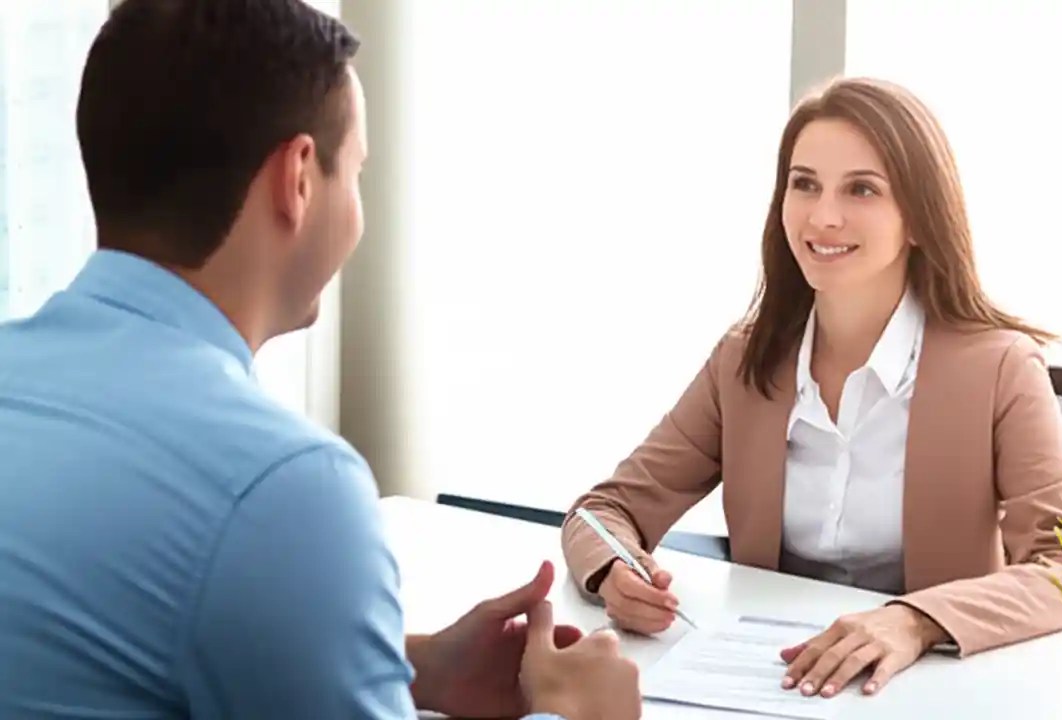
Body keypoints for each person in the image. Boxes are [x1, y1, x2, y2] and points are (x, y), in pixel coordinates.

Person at [0, 1, 640, 718]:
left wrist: (409, 666)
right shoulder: (281, 486)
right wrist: (581, 712)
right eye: (356, 171)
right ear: (298, 178)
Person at [561, 76, 1062, 700]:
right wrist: (614, 570)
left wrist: (915, 620)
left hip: (934, 691)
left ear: (920, 217)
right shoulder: (745, 361)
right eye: (805, 184)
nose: (823, 216)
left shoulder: (1000, 367)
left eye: (862, 189)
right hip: (771, 682)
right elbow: (602, 511)